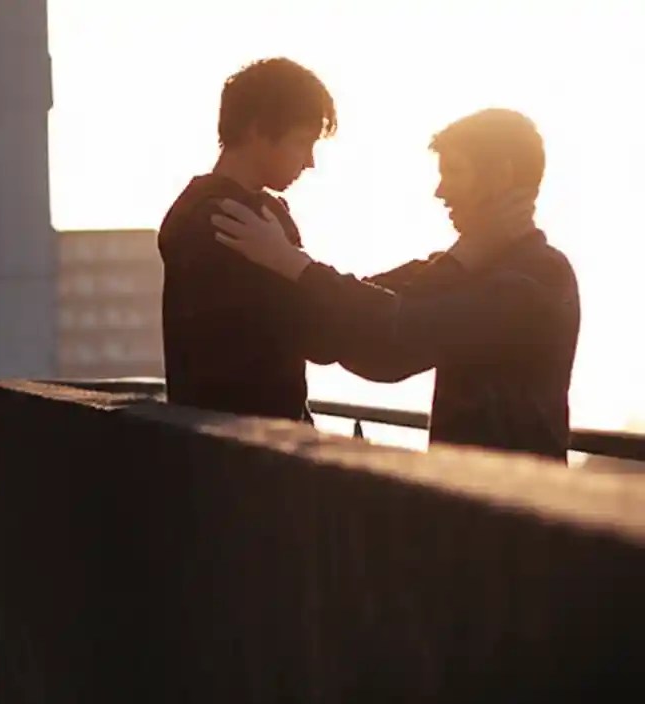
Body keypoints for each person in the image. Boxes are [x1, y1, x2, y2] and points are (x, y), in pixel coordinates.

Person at [212, 108, 581, 461]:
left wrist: (290, 262)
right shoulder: (462, 266)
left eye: (454, 172)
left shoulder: (540, 279)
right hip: (467, 505)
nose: (441, 191)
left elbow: (394, 342)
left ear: (501, 176)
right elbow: (350, 319)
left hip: (513, 513)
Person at [158, 57, 340, 421]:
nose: (309, 162)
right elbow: (315, 332)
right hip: (244, 451)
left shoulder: (200, 210)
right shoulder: (229, 219)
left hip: (223, 444)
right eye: (302, 142)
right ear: (258, 131)